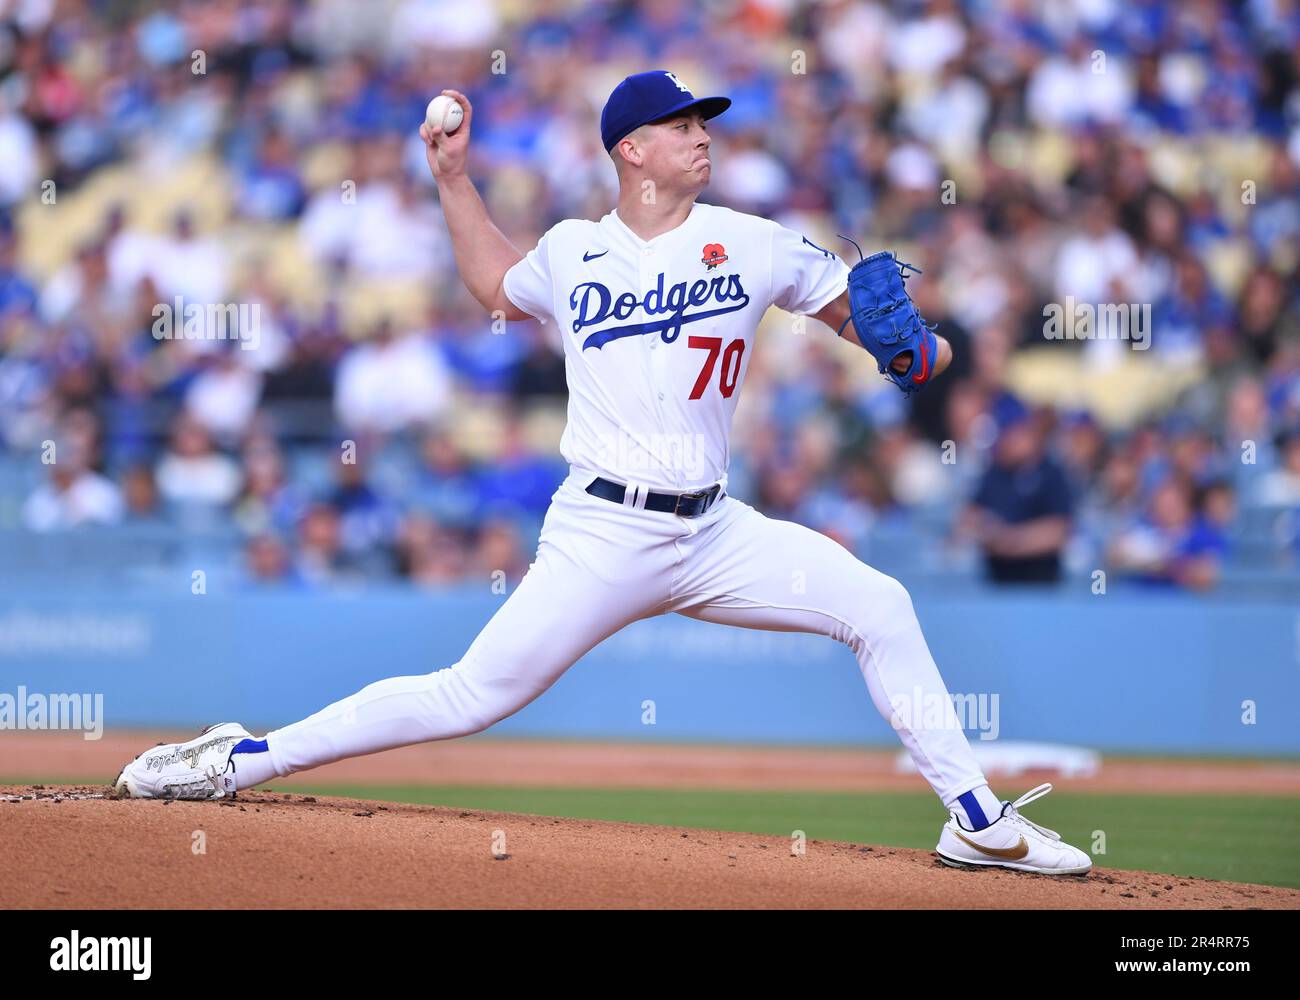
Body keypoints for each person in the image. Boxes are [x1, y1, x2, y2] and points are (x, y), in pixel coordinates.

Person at [114, 71, 1091, 876]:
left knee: (877, 606)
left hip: (714, 530)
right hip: (601, 531)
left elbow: (888, 340)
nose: (702, 136)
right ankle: (241, 758)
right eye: (681, 124)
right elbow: (497, 285)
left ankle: (974, 819)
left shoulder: (754, 241)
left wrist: (920, 353)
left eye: (703, 122)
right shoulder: (574, 251)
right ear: (631, 150)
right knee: (469, 695)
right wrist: (453, 182)